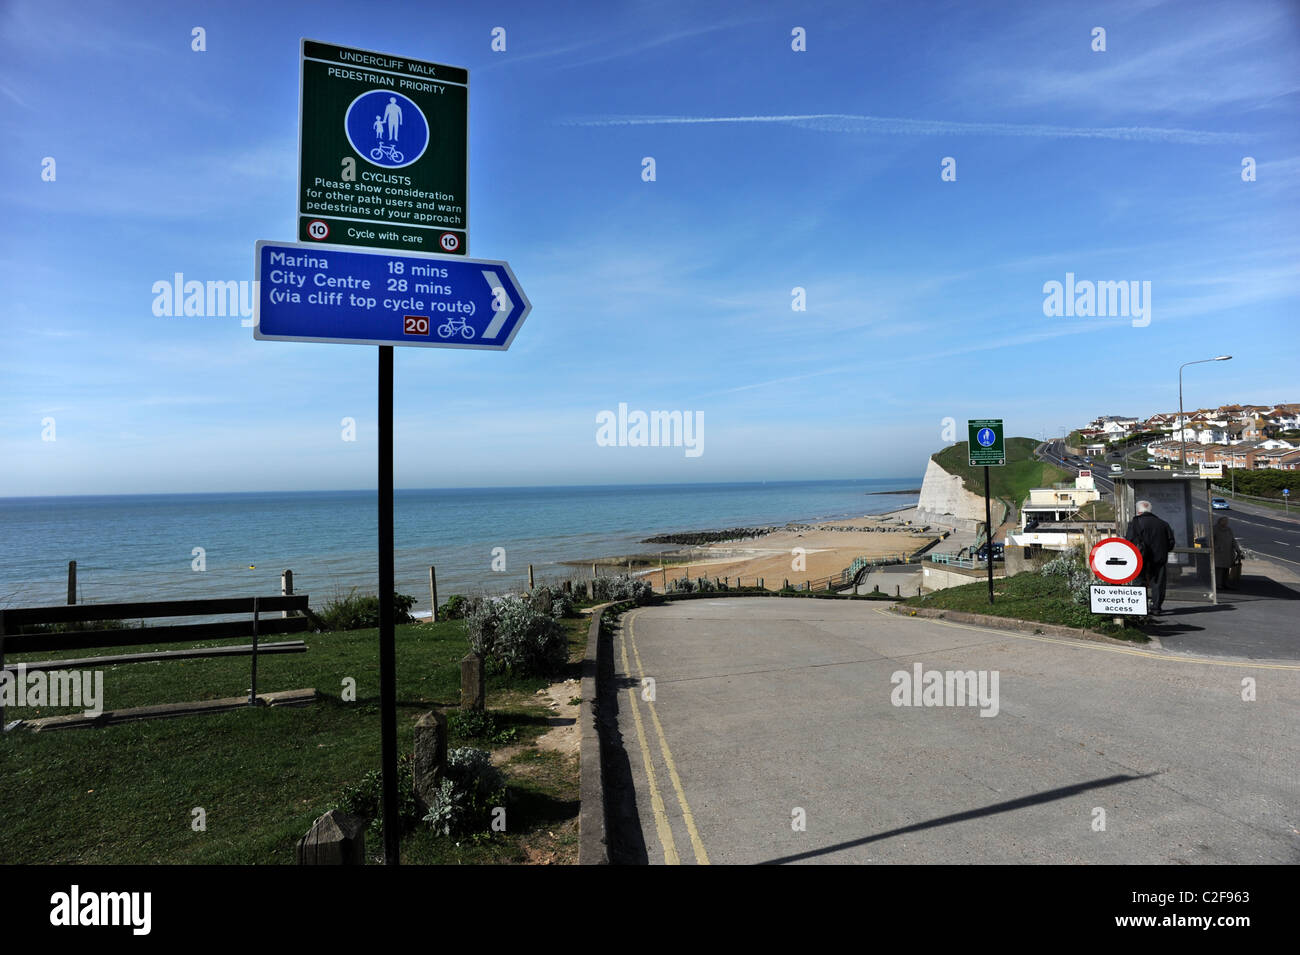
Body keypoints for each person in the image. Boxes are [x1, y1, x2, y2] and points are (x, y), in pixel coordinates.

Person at [1125, 500, 1176, 614]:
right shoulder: (1163, 523)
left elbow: (1129, 541)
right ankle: (1156, 607)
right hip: (1159, 559)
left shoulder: (1134, 523)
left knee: (1139, 582)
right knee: (1158, 583)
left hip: (1140, 558)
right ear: (1150, 510)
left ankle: (1140, 608)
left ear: (1138, 511)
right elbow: (1171, 543)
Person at [1212, 515, 1239, 591]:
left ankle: (1225, 583)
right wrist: (1215, 548)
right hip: (1219, 553)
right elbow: (1210, 540)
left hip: (1228, 553)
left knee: (1226, 569)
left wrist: (1237, 549)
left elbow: (1233, 540)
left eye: (1227, 521)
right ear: (1220, 521)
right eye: (1224, 521)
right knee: (1219, 569)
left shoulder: (1229, 529)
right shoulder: (1215, 529)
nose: (1226, 522)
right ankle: (1218, 584)